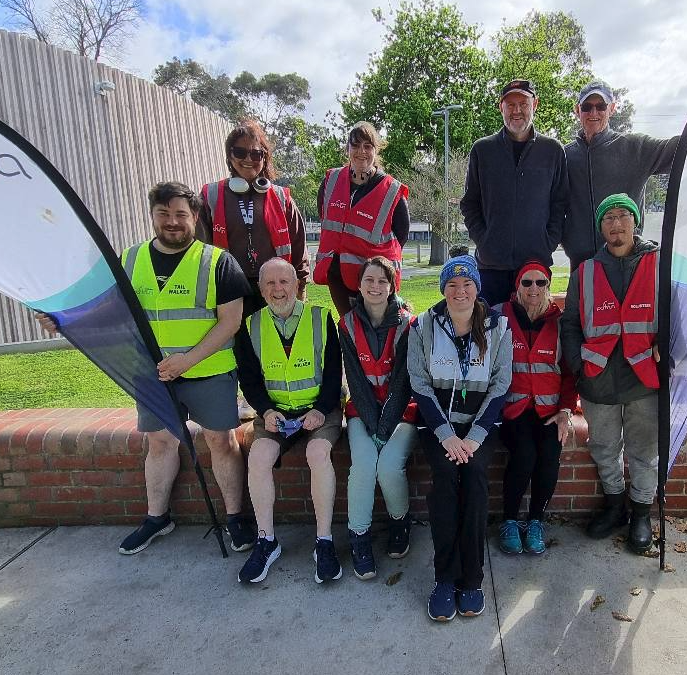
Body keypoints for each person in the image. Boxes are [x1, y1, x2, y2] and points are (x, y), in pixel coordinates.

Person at [36, 182, 256, 556]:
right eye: (164, 214)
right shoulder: (130, 259)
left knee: (221, 441)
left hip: (209, 371)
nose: (172, 222)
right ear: (152, 214)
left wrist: (187, 360)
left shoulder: (218, 262)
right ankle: (157, 517)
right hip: (153, 375)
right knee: (159, 442)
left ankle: (235, 517)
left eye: (180, 215)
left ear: (195, 217)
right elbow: (108, 309)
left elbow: (230, 323)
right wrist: (64, 320)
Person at [408, 248, 512, 621]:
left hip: (480, 429)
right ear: (443, 289)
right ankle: (444, 579)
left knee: (474, 478)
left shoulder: (498, 326)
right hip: (439, 427)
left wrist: (474, 437)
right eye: (451, 284)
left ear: (476, 287)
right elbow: (419, 384)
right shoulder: (422, 326)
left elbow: (501, 385)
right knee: (446, 482)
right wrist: (447, 436)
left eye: (467, 283)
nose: (460, 291)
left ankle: (472, 579)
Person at [233, 257, 345, 584]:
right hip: (275, 414)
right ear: (260, 288)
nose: (278, 289)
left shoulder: (321, 318)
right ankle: (266, 541)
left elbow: (334, 374)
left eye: (284, 282)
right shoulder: (251, 325)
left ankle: (323, 541)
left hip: (319, 410)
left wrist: (321, 410)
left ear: (296, 285)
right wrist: (266, 410)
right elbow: (249, 379)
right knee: (258, 458)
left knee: (317, 454)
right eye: (270, 283)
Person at [560, 193, 661, 552]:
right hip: (597, 378)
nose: (616, 225)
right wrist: (578, 364)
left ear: (635, 221)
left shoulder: (659, 264)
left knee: (644, 451)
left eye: (623, 216)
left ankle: (642, 514)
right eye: (608, 219)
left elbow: (680, 314)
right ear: (601, 227)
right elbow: (569, 322)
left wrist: (669, 344)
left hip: (645, 378)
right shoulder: (585, 271)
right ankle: (615, 506)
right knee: (604, 448)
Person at [339, 256, 418, 580]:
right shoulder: (346, 324)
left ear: (392, 285)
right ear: (359, 285)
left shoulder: (407, 324)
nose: (375, 287)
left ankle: (400, 523)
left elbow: (403, 382)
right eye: (369, 280)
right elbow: (355, 382)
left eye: (382, 281)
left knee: (387, 467)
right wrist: (373, 426)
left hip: (402, 413)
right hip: (362, 413)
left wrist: (385, 428)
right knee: (363, 465)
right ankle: (359, 537)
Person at [460, 79, 569, 306]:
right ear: (501, 107)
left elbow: (560, 203)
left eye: (523, 103)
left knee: (534, 336)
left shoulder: (552, 151)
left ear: (535, 104)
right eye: (510, 105)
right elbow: (470, 203)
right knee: (491, 334)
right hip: (492, 268)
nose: (517, 111)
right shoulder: (483, 150)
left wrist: (546, 243)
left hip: (535, 267)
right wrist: (485, 240)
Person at [494, 260, 577, 556]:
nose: (534, 289)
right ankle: (509, 521)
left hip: (549, 410)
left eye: (540, 283)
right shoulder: (500, 316)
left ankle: (536, 522)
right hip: (512, 410)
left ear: (548, 286)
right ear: (517, 286)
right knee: (525, 453)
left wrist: (566, 411)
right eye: (527, 282)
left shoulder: (560, 322)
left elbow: (569, 374)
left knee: (550, 453)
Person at [562, 80, 679, 271]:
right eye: (587, 107)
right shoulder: (563, 156)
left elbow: (681, 149)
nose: (593, 113)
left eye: (601, 106)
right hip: (581, 268)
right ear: (577, 110)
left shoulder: (636, 148)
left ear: (612, 108)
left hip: (628, 265)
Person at [198, 118, 310, 315]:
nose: (248, 159)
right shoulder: (211, 196)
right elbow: (198, 250)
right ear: (229, 157)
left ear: (265, 158)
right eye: (240, 152)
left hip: (274, 290)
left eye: (256, 153)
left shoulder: (282, 198)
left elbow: (299, 248)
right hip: (229, 291)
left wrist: (300, 291)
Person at [314, 122, 410, 316]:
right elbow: (325, 218)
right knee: (350, 330)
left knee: (379, 332)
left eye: (368, 146)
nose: (361, 152)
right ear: (347, 149)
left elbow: (402, 235)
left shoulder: (391, 190)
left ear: (376, 151)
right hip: (338, 276)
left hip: (374, 279)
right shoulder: (330, 181)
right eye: (355, 145)